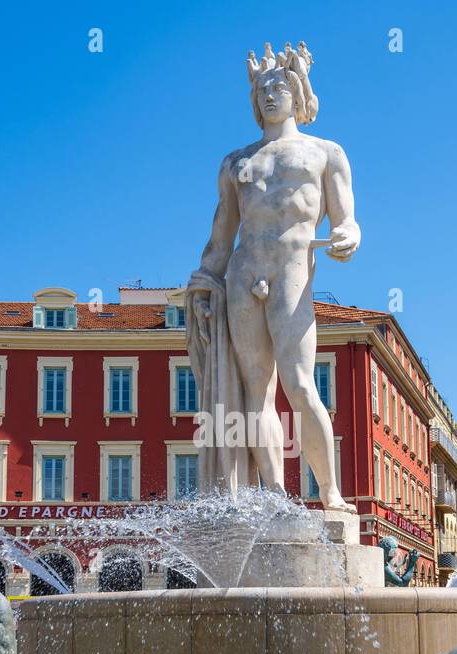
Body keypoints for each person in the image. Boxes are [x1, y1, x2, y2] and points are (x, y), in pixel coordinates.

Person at [187, 41, 359, 511]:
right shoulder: (236, 162)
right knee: (255, 393)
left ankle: (331, 494)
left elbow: (346, 219)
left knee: (301, 384)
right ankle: (277, 501)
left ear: (298, 91)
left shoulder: (325, 153)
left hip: (292, 272)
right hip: (244, 276)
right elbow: (222, 236)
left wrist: (347, 236)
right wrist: (204, 282)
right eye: (262, 88)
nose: (269, 94)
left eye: (279, 85)